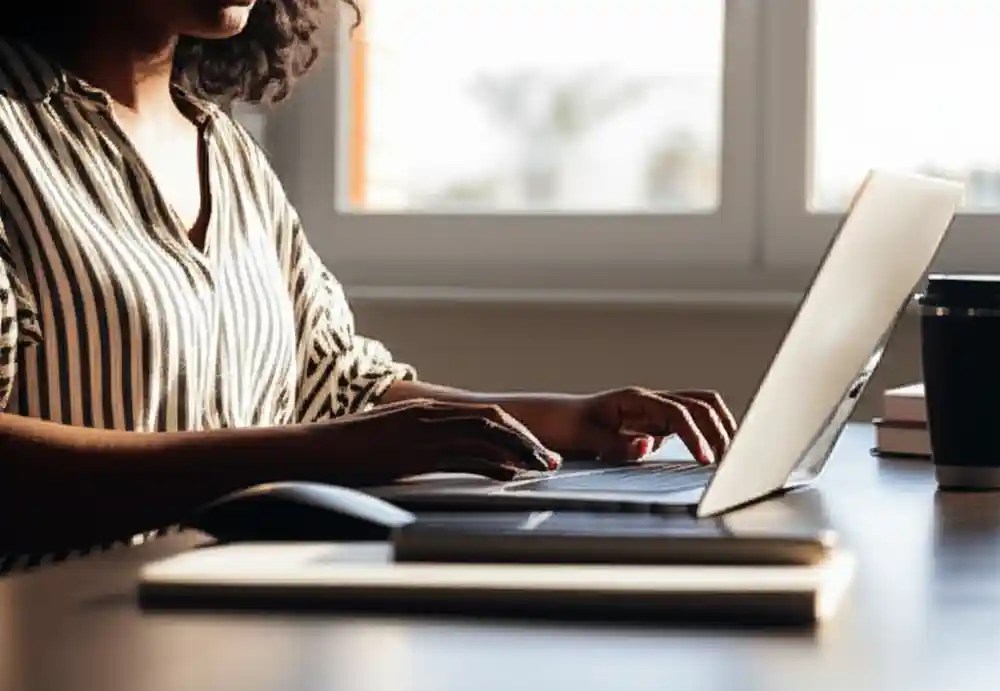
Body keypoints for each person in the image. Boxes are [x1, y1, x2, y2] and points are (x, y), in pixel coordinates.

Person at [0, 0, 736, 552]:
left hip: (222, 625)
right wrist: (321, 453)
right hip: (54, 641)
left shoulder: (225, 151)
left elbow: (335, 382)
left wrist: (568, 420)